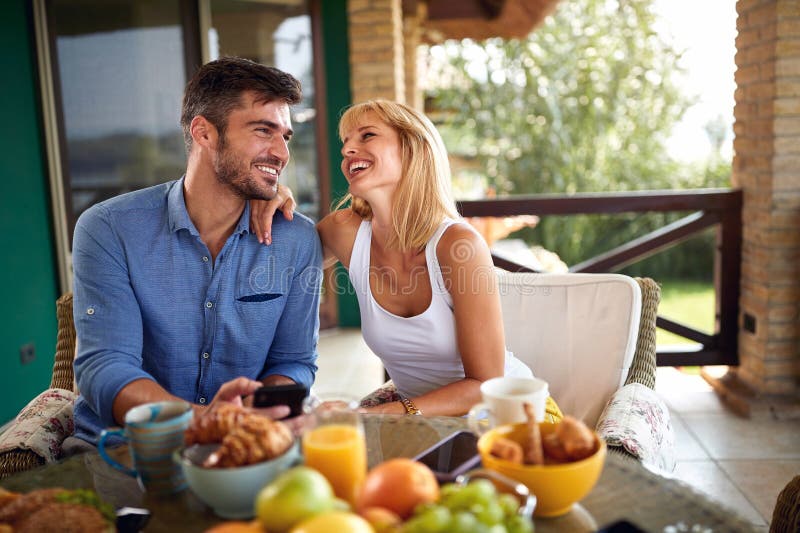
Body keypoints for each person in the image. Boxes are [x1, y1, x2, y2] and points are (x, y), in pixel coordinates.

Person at [68, 57, 323, 448]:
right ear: (204, 132)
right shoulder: (108, 228)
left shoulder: (296, 239)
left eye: (284, 136)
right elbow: (107, 369)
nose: (281, 152)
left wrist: (259, 413)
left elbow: (294, 362)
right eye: (262, 131)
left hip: (242, 445)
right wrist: (208, 422)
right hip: (128, 453)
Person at [252, 99, 537, 417]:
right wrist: (277, 195)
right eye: (346, 141)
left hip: (503, 418)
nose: (348, 150)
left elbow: (486, 384)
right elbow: (275, 264)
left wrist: (388, 413)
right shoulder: (345, 231)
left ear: (412, 149)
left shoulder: (458, 246)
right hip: (420, 424)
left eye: (367, 135)